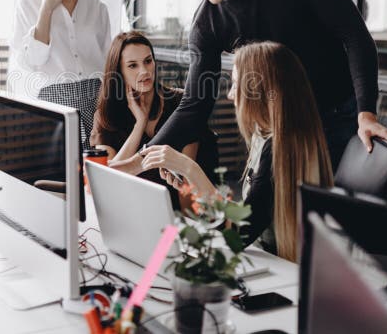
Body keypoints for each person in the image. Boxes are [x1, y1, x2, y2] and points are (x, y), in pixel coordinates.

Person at [148, 0, 387, 169]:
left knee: (330, 205)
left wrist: (366, 114)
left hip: (339, 114)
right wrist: (137, 161)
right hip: (275, 129)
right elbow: (194, 105)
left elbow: (354, 35)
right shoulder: (207, 23)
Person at [141, 41, 334, 261]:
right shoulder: (267, 136)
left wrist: (190, 168)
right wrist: (194, 186)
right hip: (267, 257)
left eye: (235, 84)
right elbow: (250, 214)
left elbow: (240, 233)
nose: (231, 95)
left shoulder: (279, 149)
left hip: (281, 270)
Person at [89, 31, 217, 202]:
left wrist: (180, 228)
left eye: (148, 61)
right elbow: (107, 179)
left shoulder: (181, 104)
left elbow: (187, 194)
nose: (144, 71)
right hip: (129, 209)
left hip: (174, 215)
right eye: (133, 65)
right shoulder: (106, 114)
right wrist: (139, 125)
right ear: (118, 71)